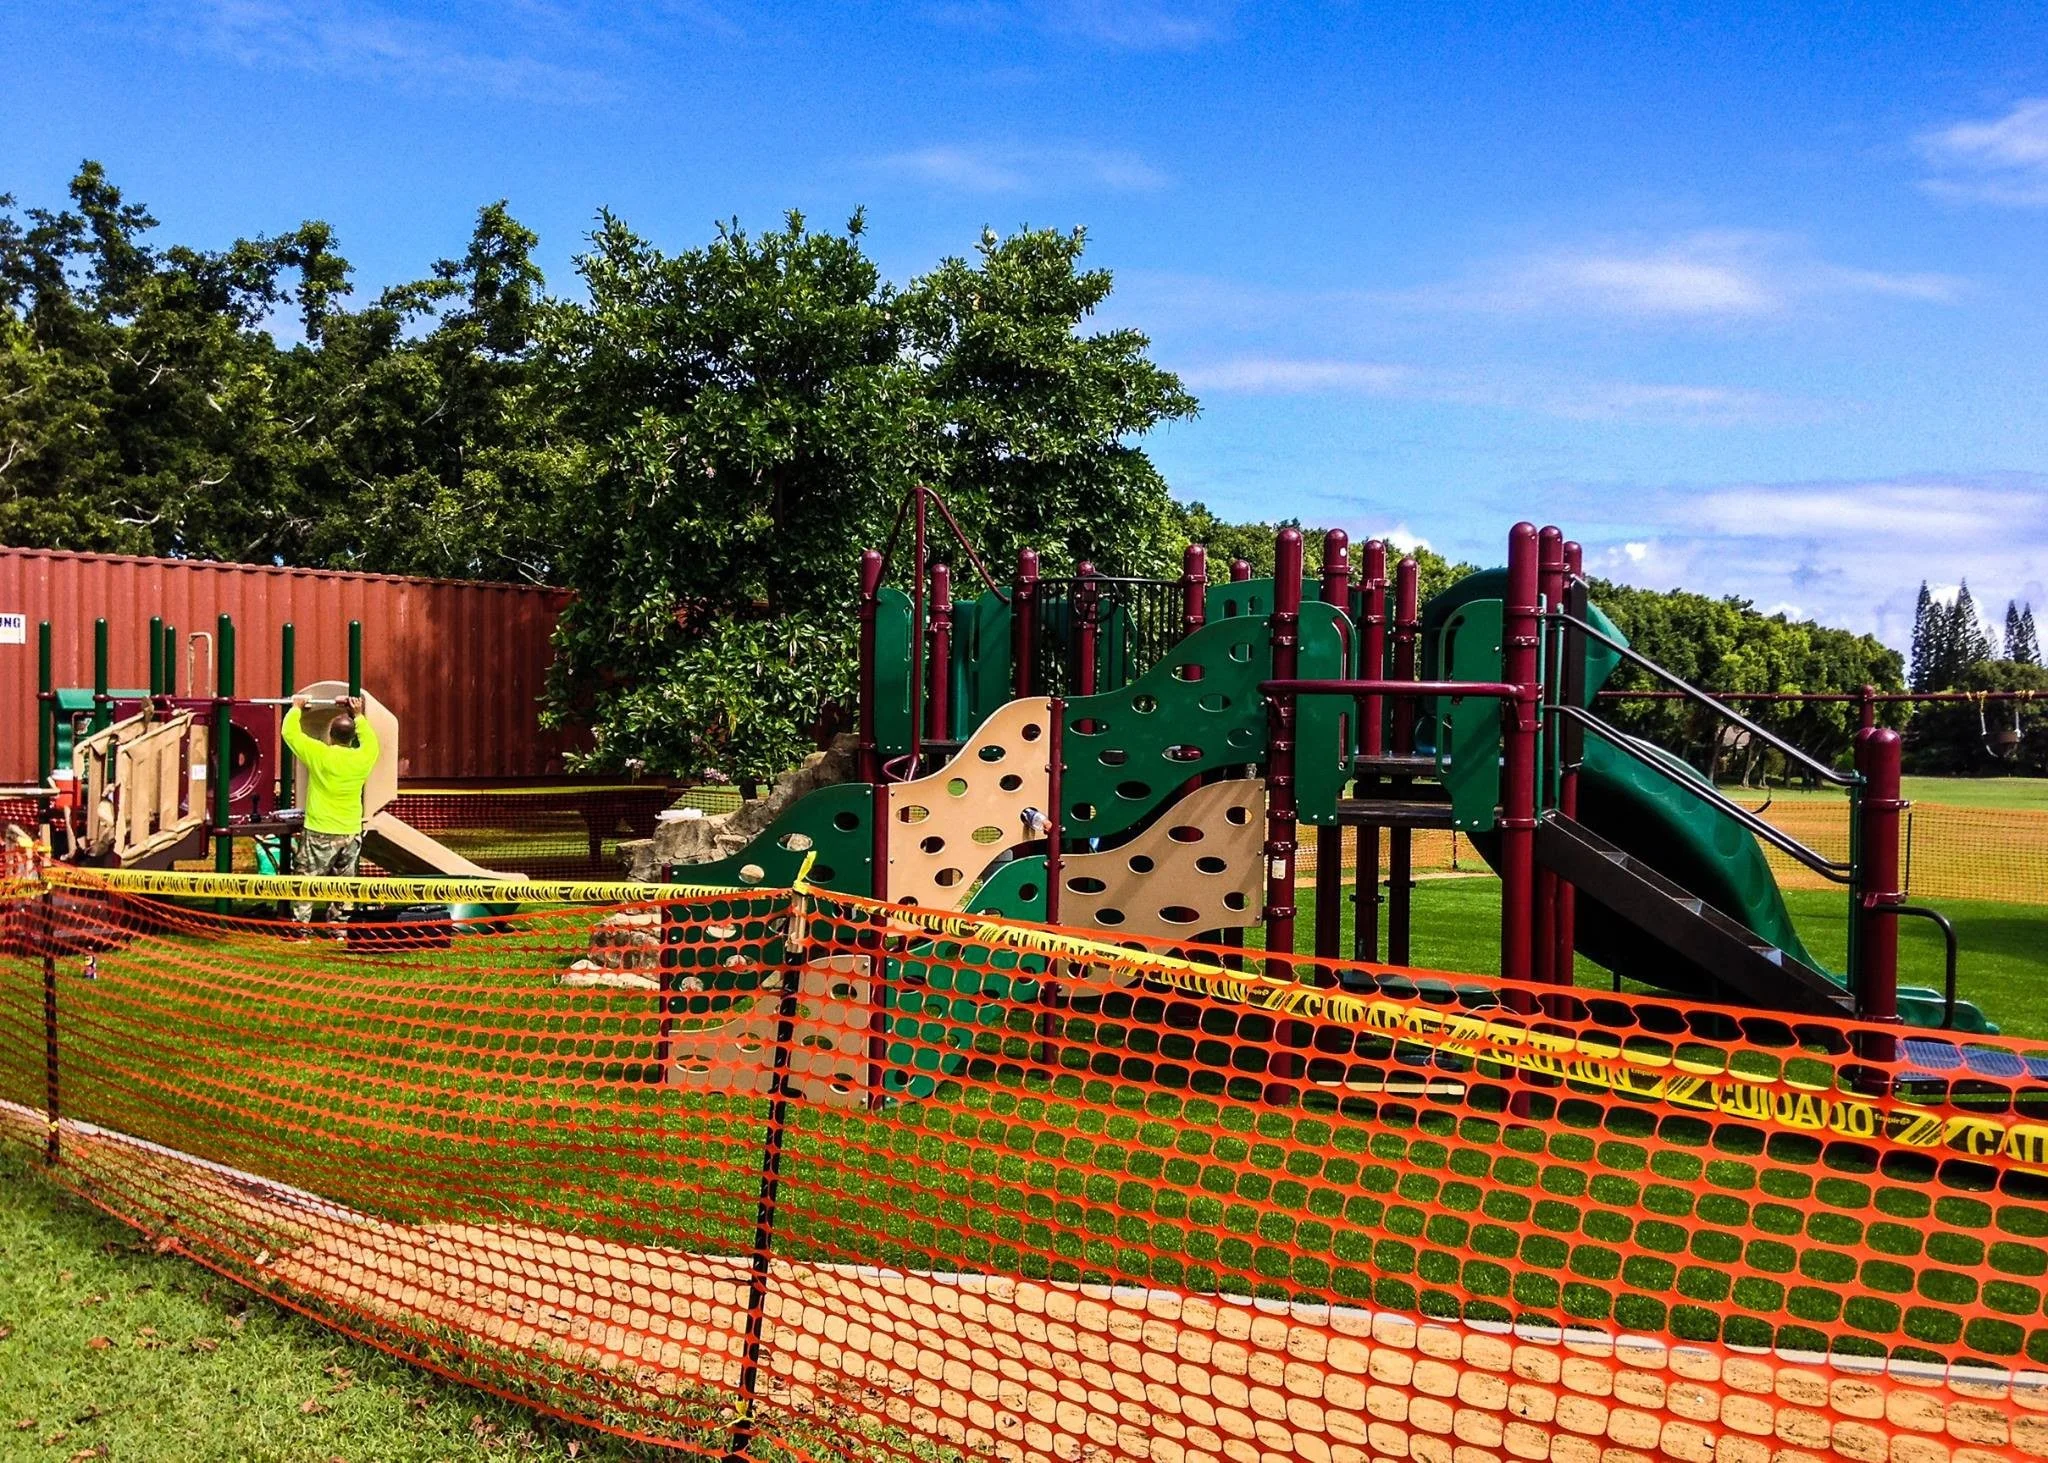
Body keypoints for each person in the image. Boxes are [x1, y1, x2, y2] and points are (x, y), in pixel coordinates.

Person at [281, 694, 380, 929]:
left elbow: (289, 733)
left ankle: (301, 928)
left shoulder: (320, 754)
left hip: (320, 829)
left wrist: (296, 708)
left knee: (307, 879)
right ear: (352, 738)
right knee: (343, 884)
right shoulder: (363, 757)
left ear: (330, 736)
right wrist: (358, 715)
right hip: (350, 830)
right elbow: (371, 742)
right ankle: (339, 926)